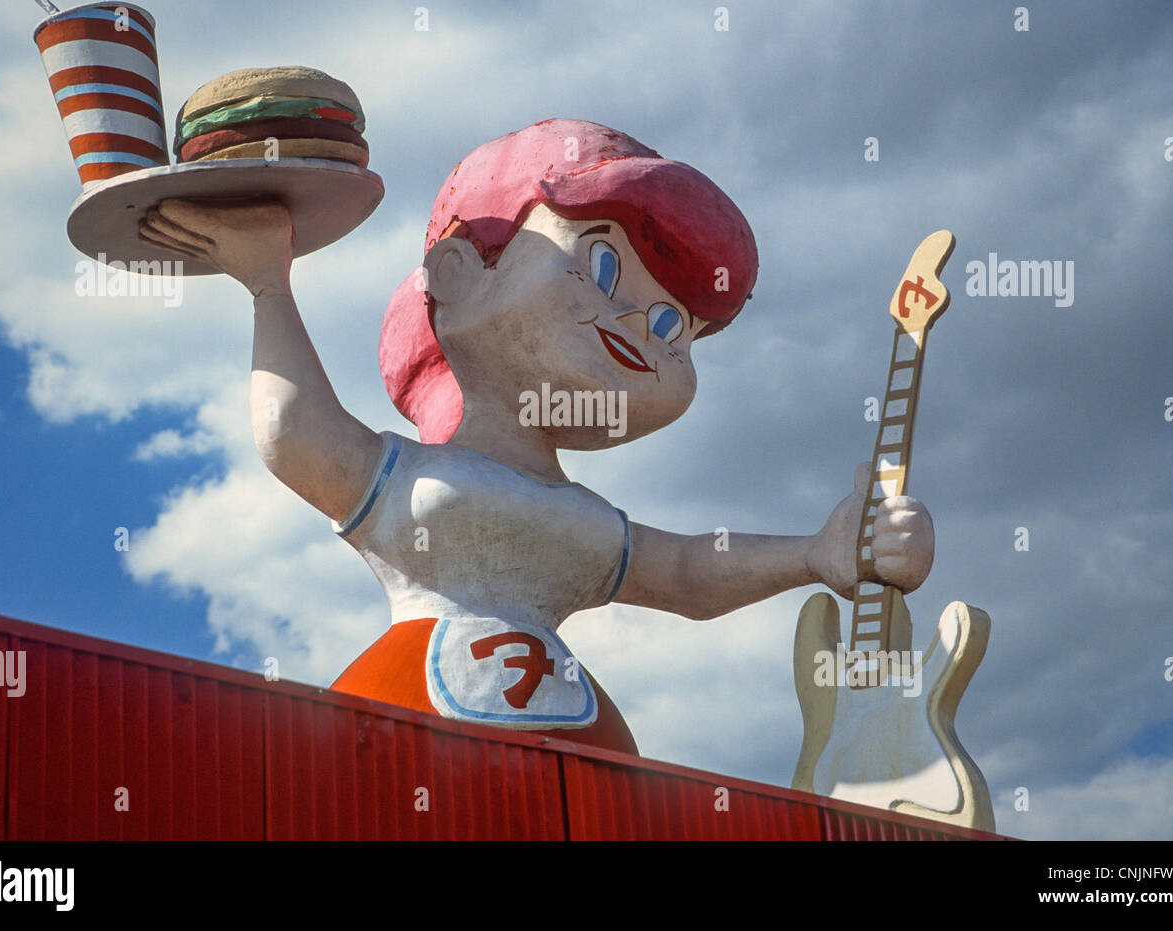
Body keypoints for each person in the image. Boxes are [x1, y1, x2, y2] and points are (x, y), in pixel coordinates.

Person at [137, 118, 934, 756]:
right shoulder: (405, 473)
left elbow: (688, 572)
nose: (638, 326)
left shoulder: (584, 516)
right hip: (401, 733)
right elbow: (294, 435)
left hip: (585, 765)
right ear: (456, 273)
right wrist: (268, 283)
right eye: (606, 268)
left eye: (673, 325)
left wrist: (820, 554)